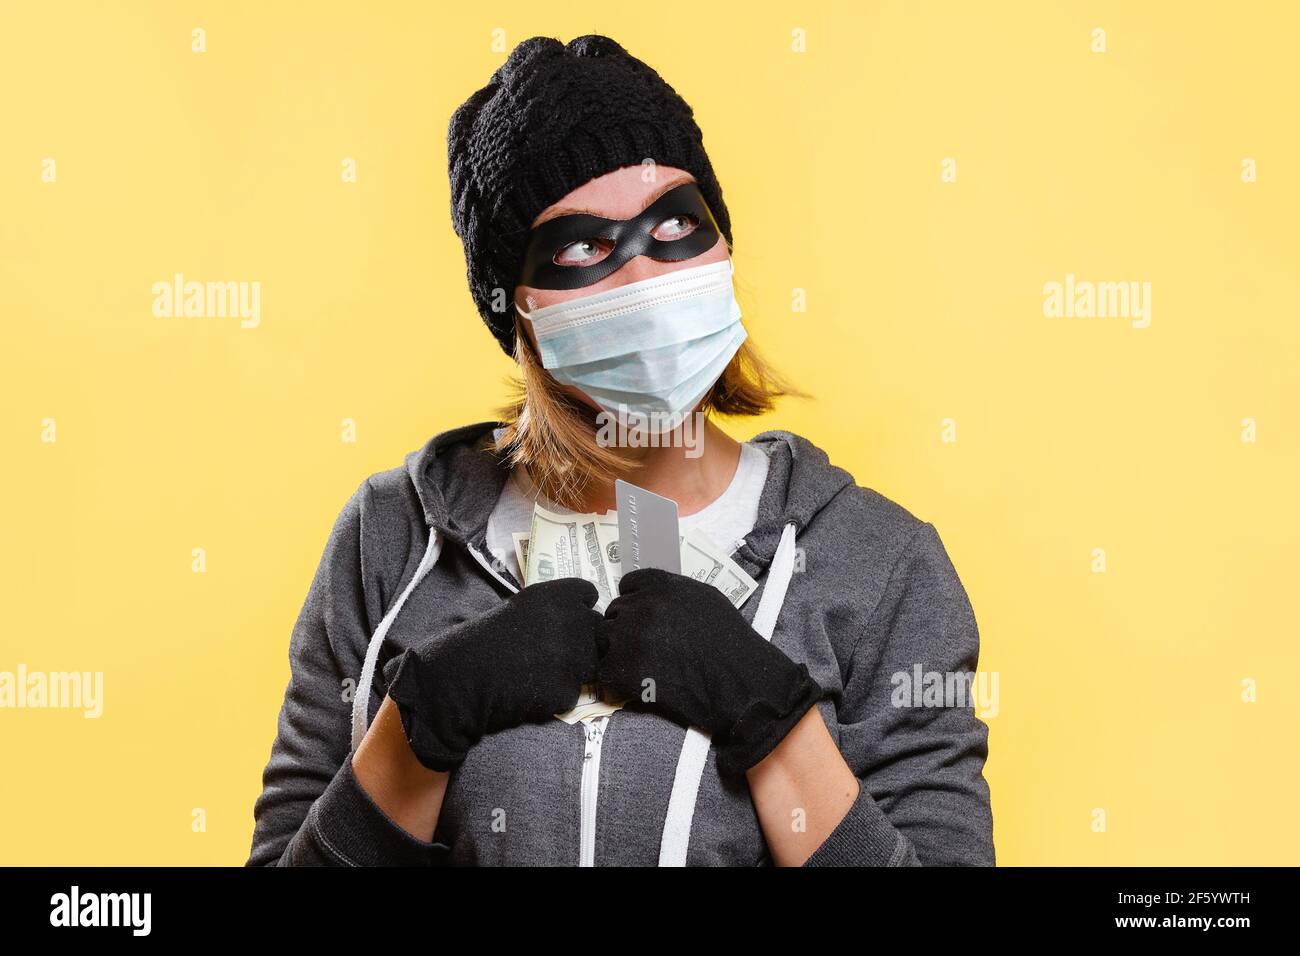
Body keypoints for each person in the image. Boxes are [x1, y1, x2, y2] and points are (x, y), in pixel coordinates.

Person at [245, 34, 994, 867]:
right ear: (519, 308)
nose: (644, 277)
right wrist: (420, 729)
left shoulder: (880, 563)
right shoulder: (392, 538)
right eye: (581, 247)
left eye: (676, 221)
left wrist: (772, 724)